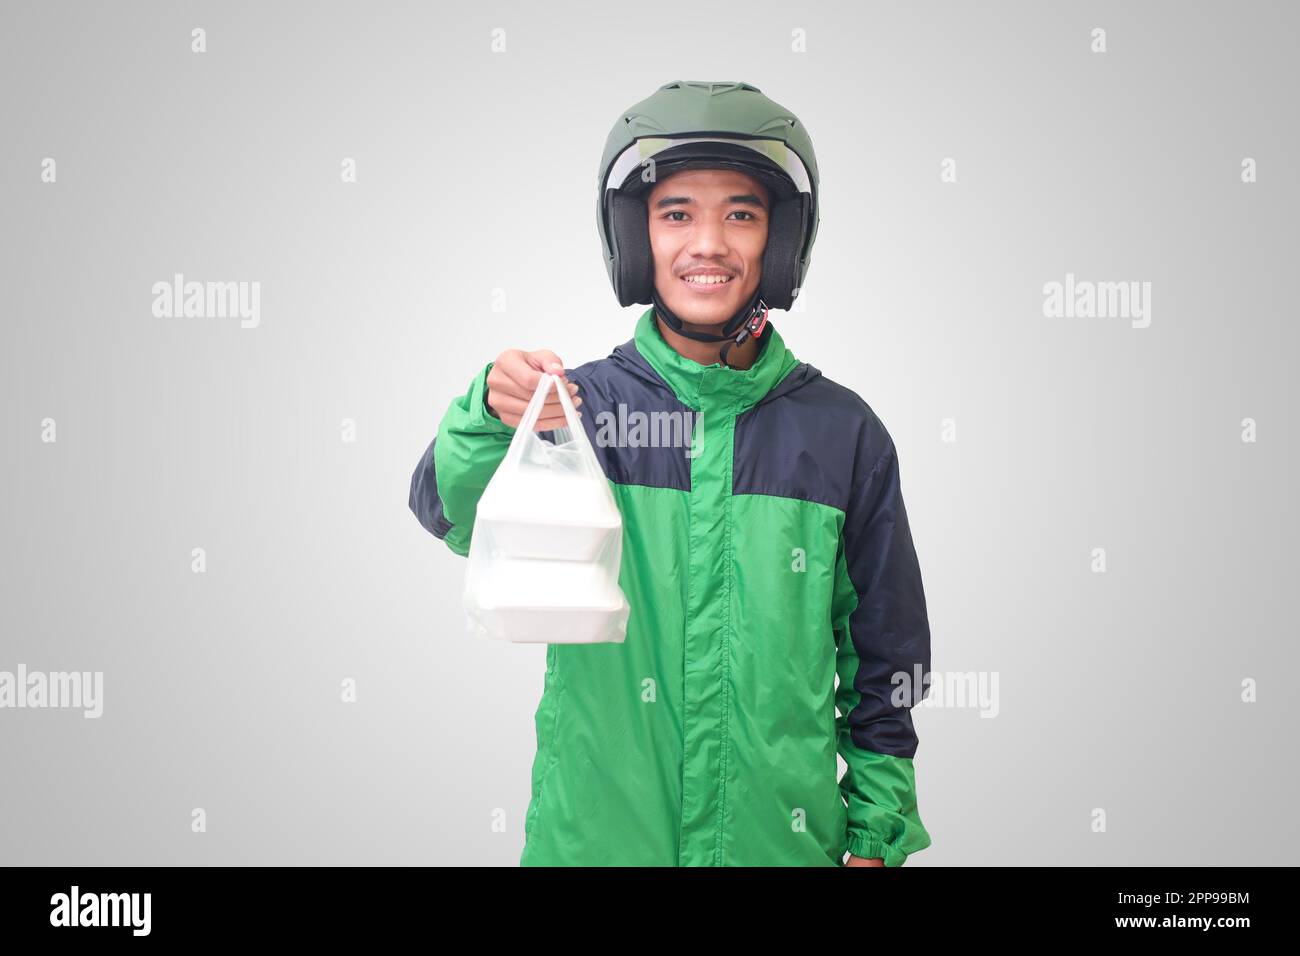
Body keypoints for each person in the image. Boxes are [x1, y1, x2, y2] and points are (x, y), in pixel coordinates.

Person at [409, 81, 933, 866]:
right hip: (598, 845)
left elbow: (888, 654)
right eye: (676, 213)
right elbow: (447, 513)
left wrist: (877, 833)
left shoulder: (842, 434)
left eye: (742, 214)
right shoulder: (579, 411)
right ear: (634, 236)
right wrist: (492, 410)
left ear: (782, 241)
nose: (709, 244)